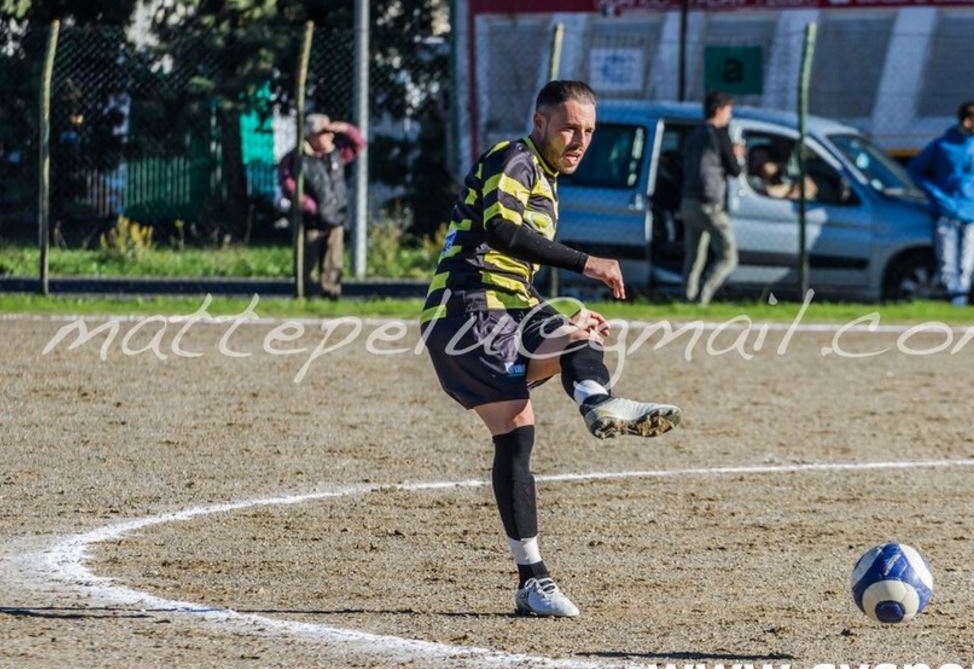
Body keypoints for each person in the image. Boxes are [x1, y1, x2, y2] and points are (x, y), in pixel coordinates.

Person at [420, 80, 681, 618]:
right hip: (469, 306)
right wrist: (588, 264)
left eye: (588, 131)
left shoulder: (546, 177)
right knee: (566, 329)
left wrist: (561, 317)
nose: (579, 140)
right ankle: (595, 399)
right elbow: (500, 231)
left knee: (522, 426)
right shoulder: (514, 157)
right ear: (539, 122)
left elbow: (517, 262)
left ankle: (532, 580)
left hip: (492, 310)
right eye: (568, 127)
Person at [907, 101, 974, 306]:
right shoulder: (943, 146)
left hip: (973, 215)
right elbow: (916, 171)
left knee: (966, 264)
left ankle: (959, 301)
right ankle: (951, 299)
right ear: (967, 122)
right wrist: (938, 196)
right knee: (947, 263)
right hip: (946, 214)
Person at [279, 113, 366, 300]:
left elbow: (359, 144)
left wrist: (345, 128)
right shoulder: (297, 158)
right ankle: (303, 295)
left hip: (335, 216)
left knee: (333, 261)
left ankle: (331, 295)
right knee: (306, 261)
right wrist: (306, 204)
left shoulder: (335, 155)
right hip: (311, 220)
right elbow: (288, 184)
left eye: (330, 133)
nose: (330, 137)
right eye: (324, 133)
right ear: (311, 135)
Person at [680, 92, 744, 305]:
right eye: (728, 112)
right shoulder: (718, 134)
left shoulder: (694, 134)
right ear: (719, 111)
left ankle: (687, 296)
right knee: (729, 256)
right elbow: (734, 170)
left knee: (694, 255)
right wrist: (737, 154)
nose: (729, 117)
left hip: (688, 200)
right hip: (709, 203)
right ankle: (703, 296)